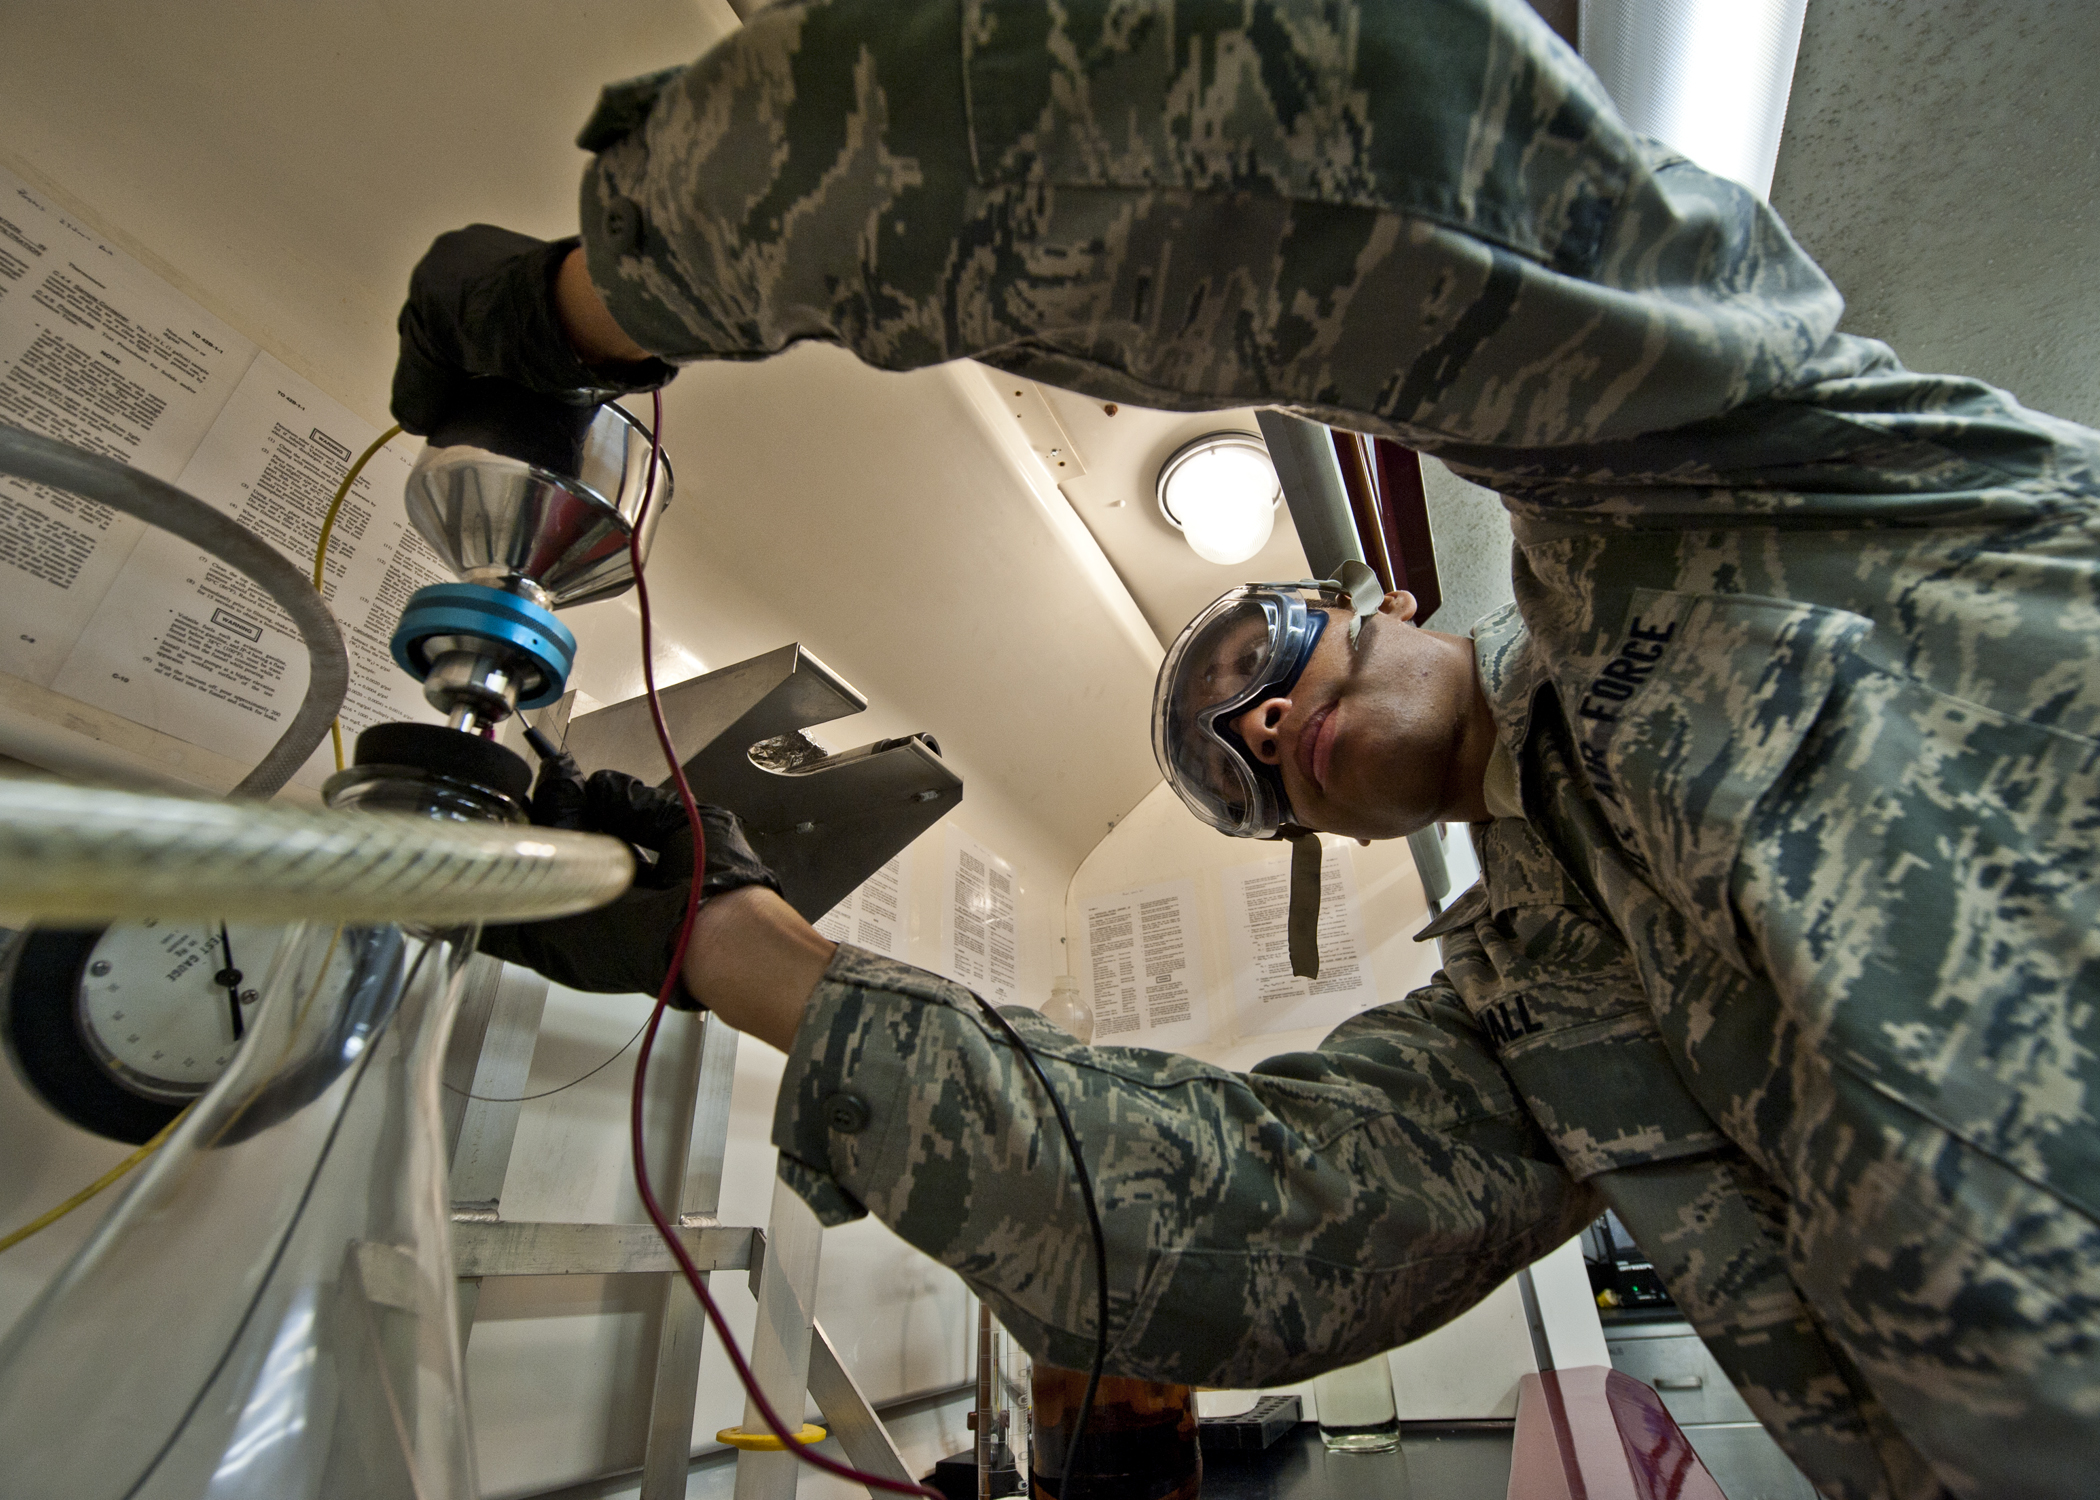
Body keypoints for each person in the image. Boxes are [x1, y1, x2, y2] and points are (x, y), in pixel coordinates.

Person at [395, 3, 2100, 1496]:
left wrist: (587, 303)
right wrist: (721, 933)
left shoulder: (1728, 474)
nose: (1266, 718)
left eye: (1258, 653)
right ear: (1326, 849)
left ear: (1389, 592)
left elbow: (1331, 124)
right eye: (1240, 770)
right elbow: (1235, 1231)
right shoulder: (1551, 1017)